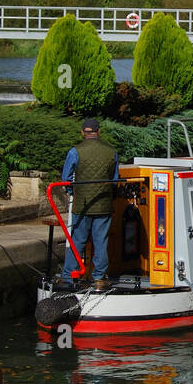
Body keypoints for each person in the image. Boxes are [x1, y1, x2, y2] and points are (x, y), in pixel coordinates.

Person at [60, 118, 119, 289]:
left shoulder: (75, 151)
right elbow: (114, 180)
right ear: (98, 132)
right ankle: (99, 277)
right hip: (104, 204)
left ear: (82, 133)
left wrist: (74, 192)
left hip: (82, 204)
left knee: (78, 240)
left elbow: (65, 179)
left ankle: (69, 276)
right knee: (101, 241)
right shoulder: (111, 151)